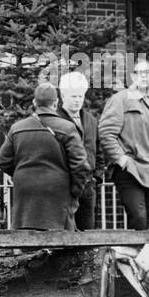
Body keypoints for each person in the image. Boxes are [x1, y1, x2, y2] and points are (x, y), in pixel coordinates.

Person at [0, 82, 91, 230]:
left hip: (25, 192)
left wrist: (23, 173)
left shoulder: (17, 128)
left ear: (34, 103)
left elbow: (3, 161)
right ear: (56, 103)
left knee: (25, 237)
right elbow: (80, 165)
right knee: (59, 242)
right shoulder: (67, 128)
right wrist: (74, 191)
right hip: (58, 192)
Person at [99, 58, 149, 230]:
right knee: (138, 218)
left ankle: (136, 256)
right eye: (139, 73)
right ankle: (132, 253)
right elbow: (106, 132)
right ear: (132, 76)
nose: (144, 76)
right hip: (130, 169)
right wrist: (121, 159)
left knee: (145, 223)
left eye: (147, 72)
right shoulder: (120, 99)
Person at [57, 70, 101, 231]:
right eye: (73, 96)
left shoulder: (90, 120)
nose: (78, 100)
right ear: (63, 96)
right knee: (65, 232)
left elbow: (98, 148)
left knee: (87, 231)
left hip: (88, 185)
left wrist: (97, 177)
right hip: (64, 185)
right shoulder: (56, 120)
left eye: (80, 96)